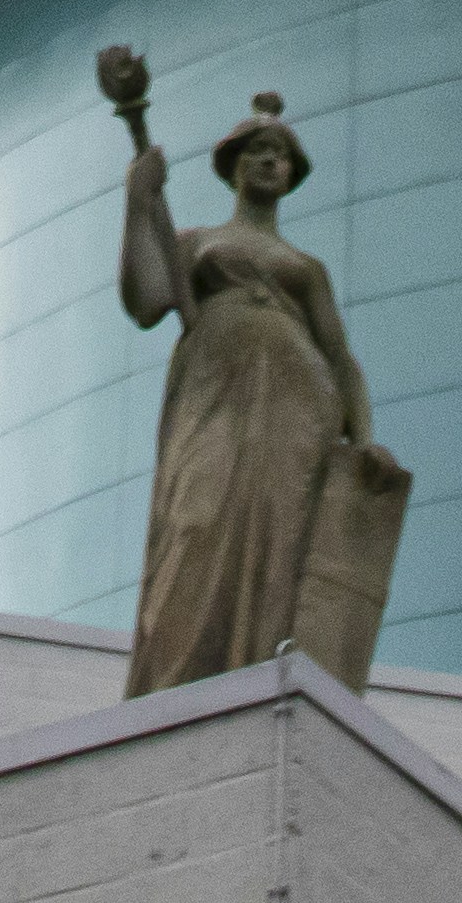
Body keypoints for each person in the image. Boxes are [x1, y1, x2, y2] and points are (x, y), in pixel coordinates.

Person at [103, 48, 405, 691]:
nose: (268, 160)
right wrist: (138, 195)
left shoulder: (306, 267)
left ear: (292, 174)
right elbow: (145, 301)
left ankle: (252, 674)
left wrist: (362, 437)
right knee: (197, 518)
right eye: (255, 151)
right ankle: (175, 683)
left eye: (280, 154)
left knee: (279, 542)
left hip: (298, 411)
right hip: (215, 392)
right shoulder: (197, 242)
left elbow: (340, 357)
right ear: (233, 167)